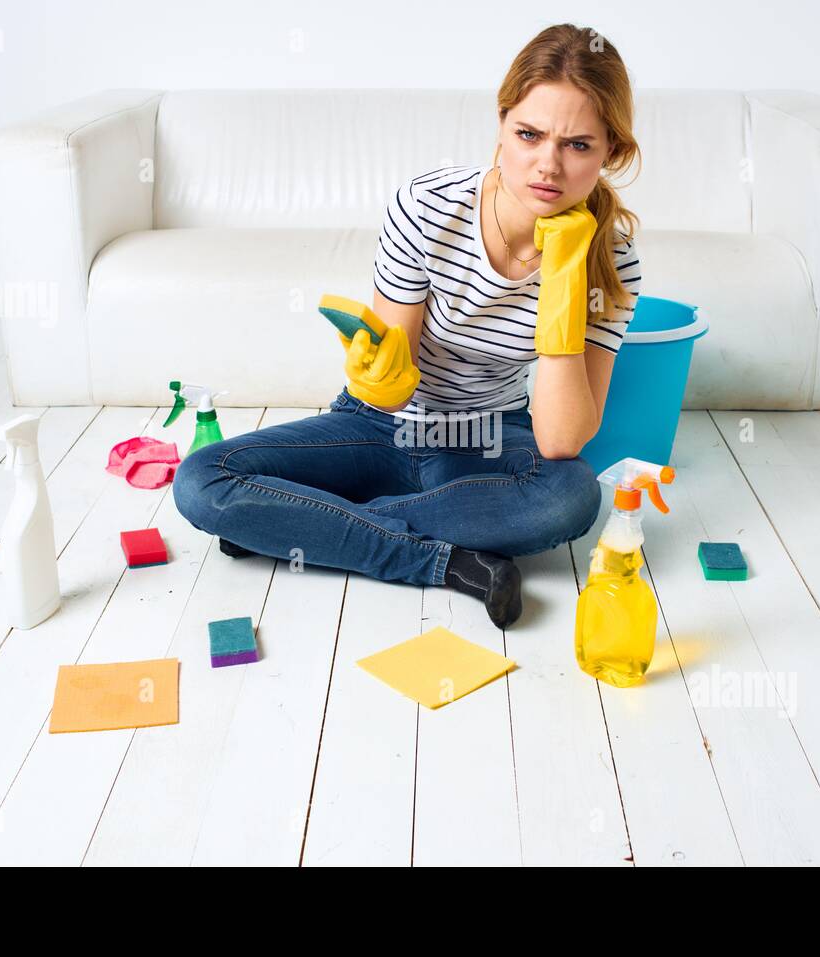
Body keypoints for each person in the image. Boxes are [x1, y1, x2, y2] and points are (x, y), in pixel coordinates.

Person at [173, 23, 642, 629]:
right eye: (529, 134)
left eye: (578, 145)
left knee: (572, 498)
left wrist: (563, 279)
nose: (547, 165)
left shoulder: (614, 259)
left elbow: (559, 441)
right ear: (501, 127)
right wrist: (378, 374)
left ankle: (303, 523)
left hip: (488, 436)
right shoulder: (429, 205)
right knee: (202, 479)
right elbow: (394, 376)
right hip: (377, 428)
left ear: (611, 152)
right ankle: (448, 564)